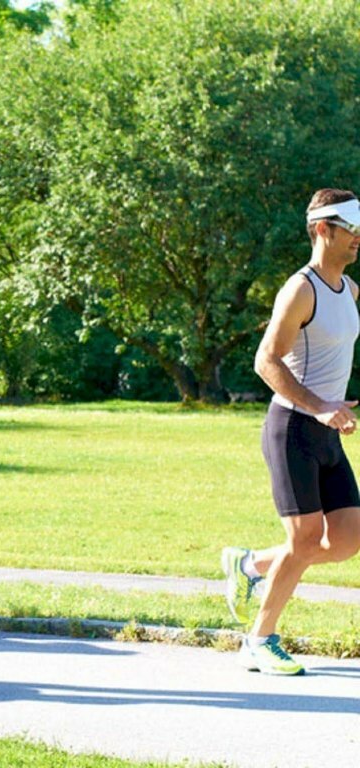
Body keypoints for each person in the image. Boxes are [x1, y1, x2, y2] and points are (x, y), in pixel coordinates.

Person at [223, 188, 360, 675]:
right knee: (304, 541)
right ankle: (259, 639)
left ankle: (251, 565)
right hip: (293, 430)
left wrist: (333, 407)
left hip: (326, 432)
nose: (358, 238)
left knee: (346, 540)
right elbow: (266, 360)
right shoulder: (300, 289)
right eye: (350, 228)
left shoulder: (350, 288)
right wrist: (320, 406)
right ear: (323, 228)